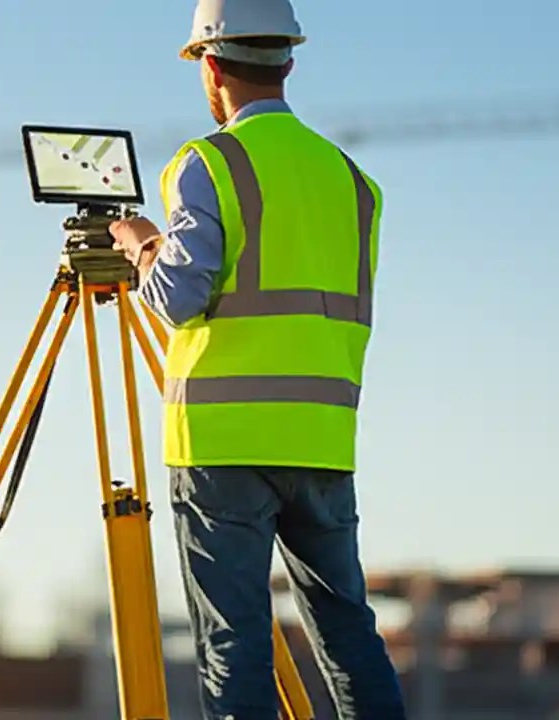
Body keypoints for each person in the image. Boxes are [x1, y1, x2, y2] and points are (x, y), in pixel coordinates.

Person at [107, 1, 408, 718]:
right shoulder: (352, 179)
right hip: (322, 439)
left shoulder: (209, 162)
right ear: (289, 62)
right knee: (348, 632)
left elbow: (180, 296)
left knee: (233, 644)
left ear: (210, 66)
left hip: (223, 441)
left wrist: (142, 245)